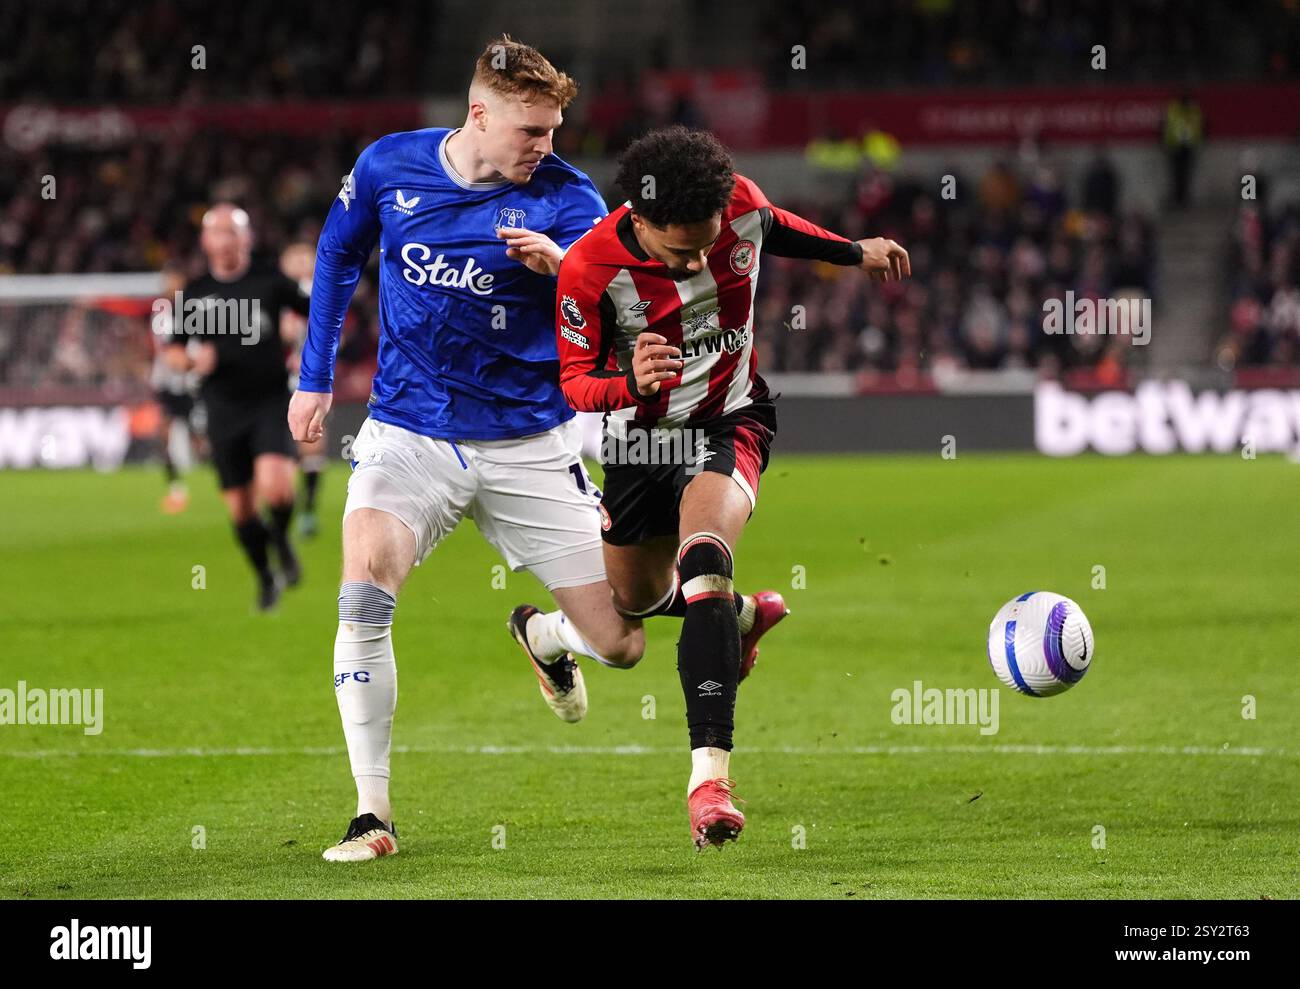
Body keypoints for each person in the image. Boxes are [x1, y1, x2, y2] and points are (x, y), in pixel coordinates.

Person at [554, 126, 910, 847]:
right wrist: (627, 380)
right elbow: (572, 381)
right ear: (638, 217)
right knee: (634, 604)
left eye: (704, 246)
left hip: (730, 419)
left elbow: (776, 226)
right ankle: (743, 618)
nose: (693, 262)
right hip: (640, 439)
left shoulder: (738, 205)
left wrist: (853, 251)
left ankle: (709, 780)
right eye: (677, 250)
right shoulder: (590, 268)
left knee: (705, 562)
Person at [166, 204, 308, 610]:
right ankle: (265, 577)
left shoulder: (270, 281)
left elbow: (319, 315)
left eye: (234, 231)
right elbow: (173, 351)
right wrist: (193, 362)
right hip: (222, 406)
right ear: (206, 241)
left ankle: (281, 539)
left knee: (277, 489)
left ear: (247, 238)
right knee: (241, 509)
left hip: (269, 398)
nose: (226, 239)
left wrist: (301, 341)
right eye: (218, 232)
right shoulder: (195, 292)